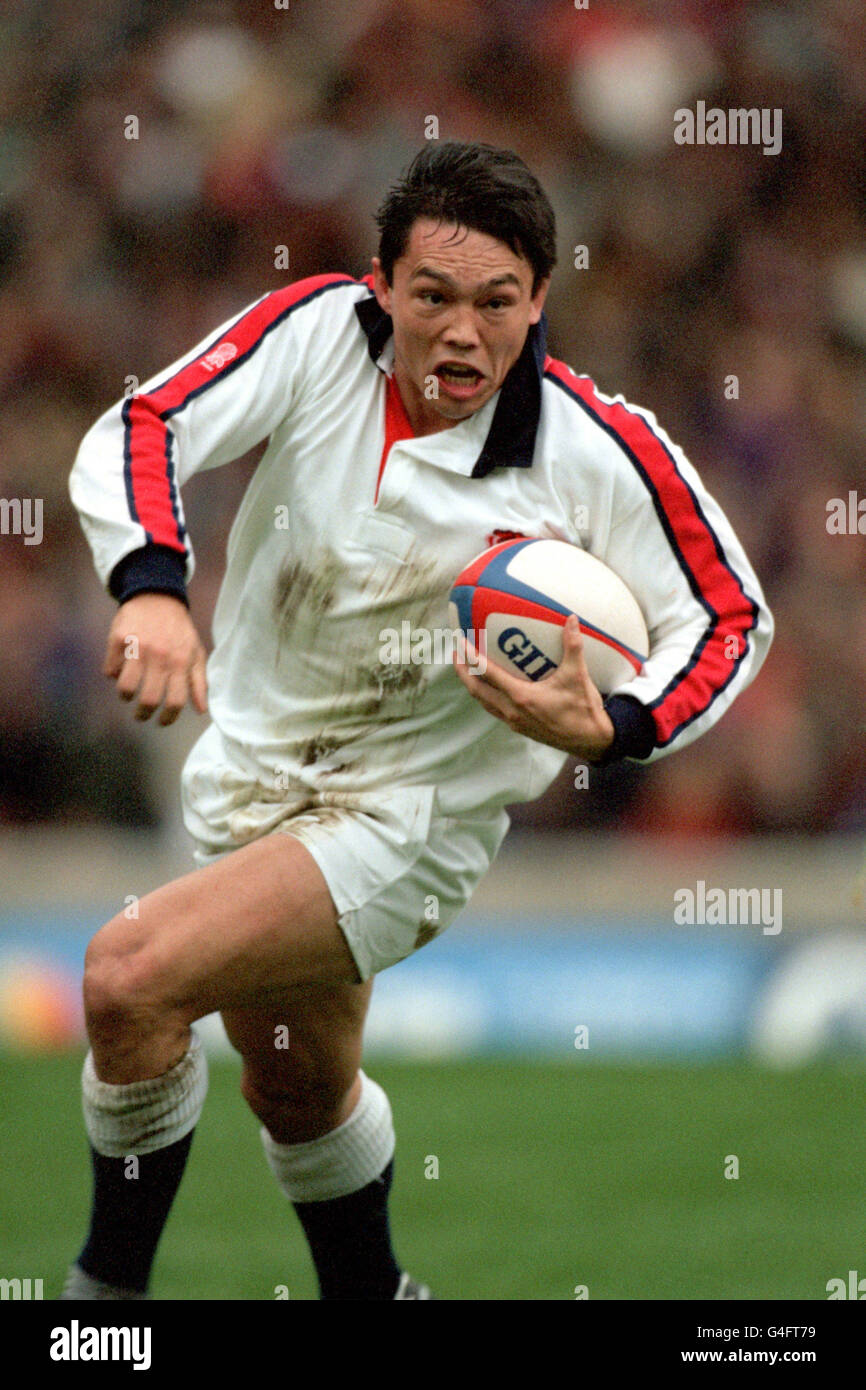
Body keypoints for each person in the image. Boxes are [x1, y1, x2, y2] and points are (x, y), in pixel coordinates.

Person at [63, 141, 773, 1301]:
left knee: (126, 976)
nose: (462, 332)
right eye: (432, 296)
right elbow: (149, 428)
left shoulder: (591, 448)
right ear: (380, 284)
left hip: (408, 820)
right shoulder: (310, 333)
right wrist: (149, 583)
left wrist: (617, 727)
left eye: (498, 302)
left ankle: (100, 1313)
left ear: (539, 299)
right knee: (292, 1085)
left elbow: (729, 613)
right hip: (250, 773)